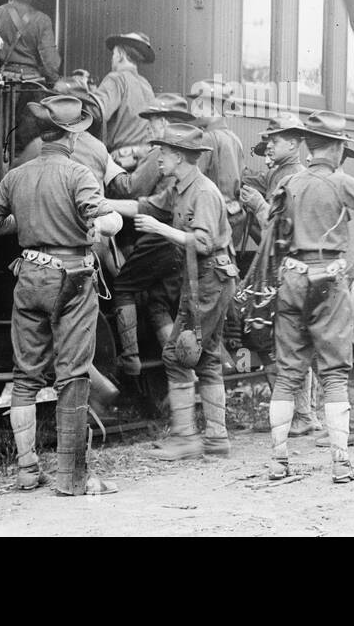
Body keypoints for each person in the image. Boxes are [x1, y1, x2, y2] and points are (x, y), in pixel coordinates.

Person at [0, 95, 123, 496]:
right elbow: (105, 217)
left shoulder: (16, 176)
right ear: (72, 138)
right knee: (73, 374)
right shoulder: (78, 173)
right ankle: (72, 479)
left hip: (30, 276)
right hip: (72, 279)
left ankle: (27, 470)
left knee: (25, 376)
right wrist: (108, 223)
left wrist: (24, 221)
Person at [265, 111, 354, 483]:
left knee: (287, 374)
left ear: (309, 146)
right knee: (334, 375)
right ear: (338, 148)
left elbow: (272, 230)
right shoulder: (340, 182)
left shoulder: (289, 183)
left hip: (291, 279)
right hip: (328, 280)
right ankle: (341, 463)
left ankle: (278, 461)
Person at [110, 123, 237, 460]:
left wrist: (160, 229)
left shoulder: (204, 192)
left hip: (209, 278)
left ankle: (185, 438)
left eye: (163, 153)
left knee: (175, 355)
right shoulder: (179, 188)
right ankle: (216, 438)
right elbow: (145, 206)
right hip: (202, 277)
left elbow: (204, 243)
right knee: (207, 357)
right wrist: (102, 204)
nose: (158, 159)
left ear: (179, 156)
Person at [238, 114, 321, 438]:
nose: (268, 146)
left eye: (275, 140)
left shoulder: (296, 177)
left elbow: (286, 231)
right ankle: (296, 413)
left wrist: (259, 206)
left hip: (289, 271)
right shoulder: (278, 174)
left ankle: (303, 414)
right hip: (277, 269)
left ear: (295, 143)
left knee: (288, 342)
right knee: (274, 341)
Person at [107, 93, 195, 375]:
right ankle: (182, 370)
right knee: (157, 302)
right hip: (182, 238)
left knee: (124, 286)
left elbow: (133, 189)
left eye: (153, 120)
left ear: (165, 122)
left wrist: (109, 170)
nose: (149, 127)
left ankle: (130, 359)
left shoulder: (161, 153)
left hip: (158, 235)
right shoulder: (191, 155)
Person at [188, 79, 248, 253]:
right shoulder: (235, 139)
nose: (196, 111)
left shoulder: (207, 138)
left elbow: (193, 181)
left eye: (200, 105)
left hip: (212, 219)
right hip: (234, 216)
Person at [0, 0, 61, 84]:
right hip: (31, 82)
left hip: (2, 80)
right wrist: (54, 80)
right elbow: (50, 61)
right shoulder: (42, 20)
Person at [96, 31, 156, 163]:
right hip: (144, 158)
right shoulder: (146, 84)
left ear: (120, 54)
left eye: (114, 54)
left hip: (120, 161)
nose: (112, 59)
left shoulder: (116, 79)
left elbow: (97, 113)